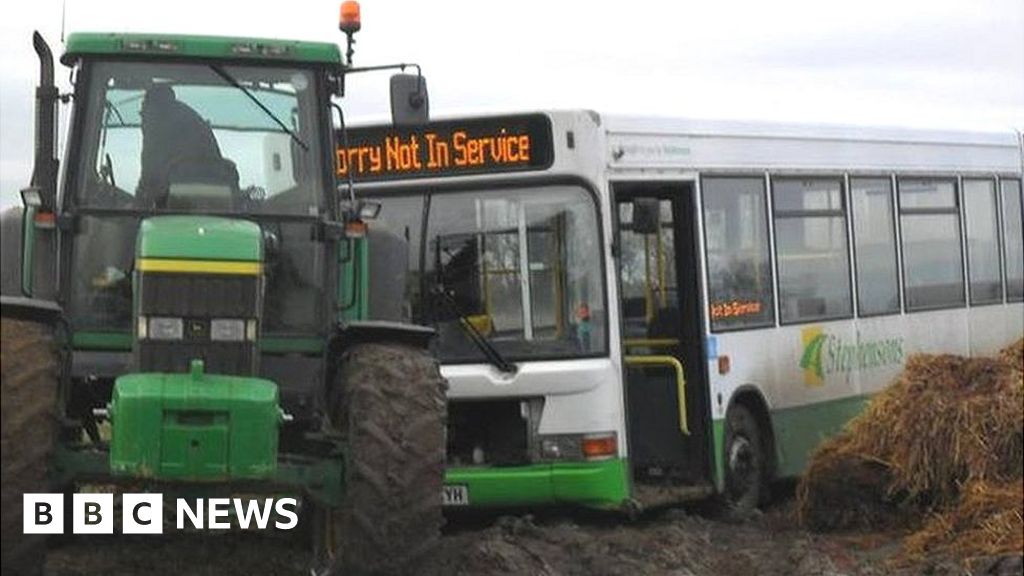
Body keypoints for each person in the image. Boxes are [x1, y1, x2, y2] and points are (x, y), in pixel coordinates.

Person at [136, 84, 236, 208]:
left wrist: (136, 205)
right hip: (217, 203)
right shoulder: (193, 121)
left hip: (175, 206)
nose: (142, 121)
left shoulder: (158, 128)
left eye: (143, 114)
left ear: (153, 109)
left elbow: (149, 177)